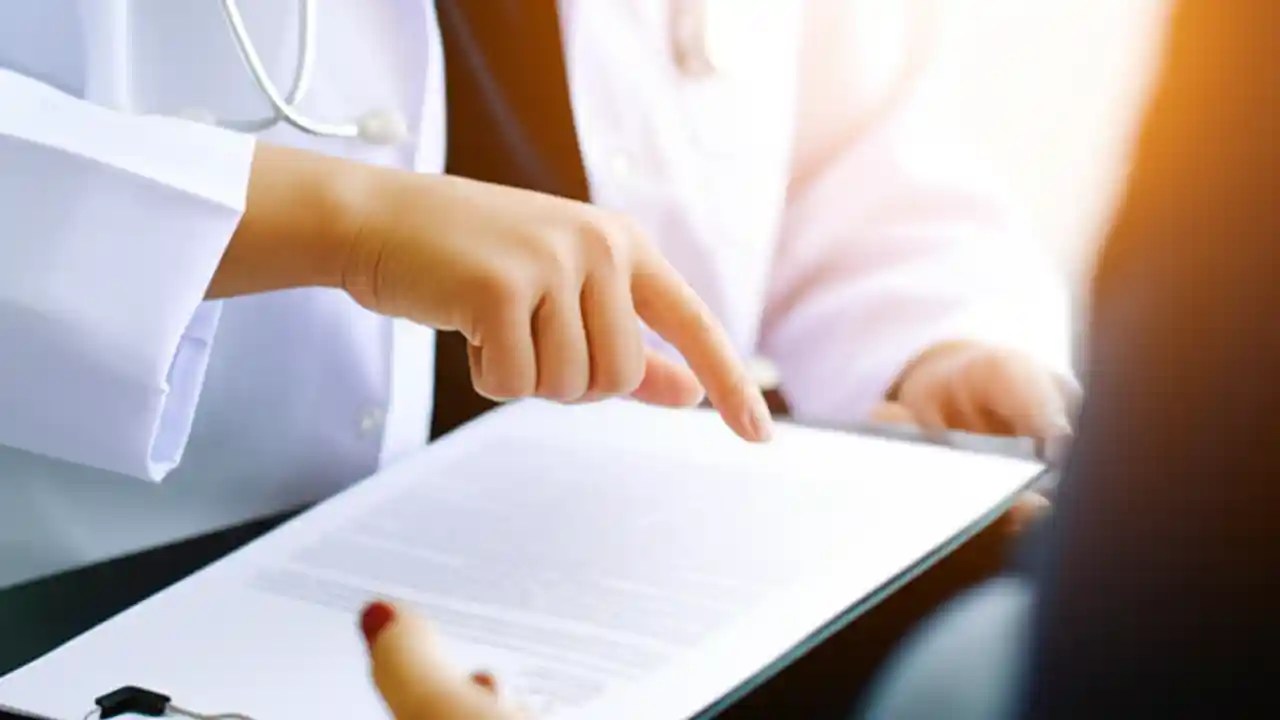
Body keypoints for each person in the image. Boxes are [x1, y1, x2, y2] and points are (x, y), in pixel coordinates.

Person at [0, 1, 769, 590]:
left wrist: (886, 352)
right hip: (92, 574)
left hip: (587, 531)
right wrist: (348, 225)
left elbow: (840, 129)